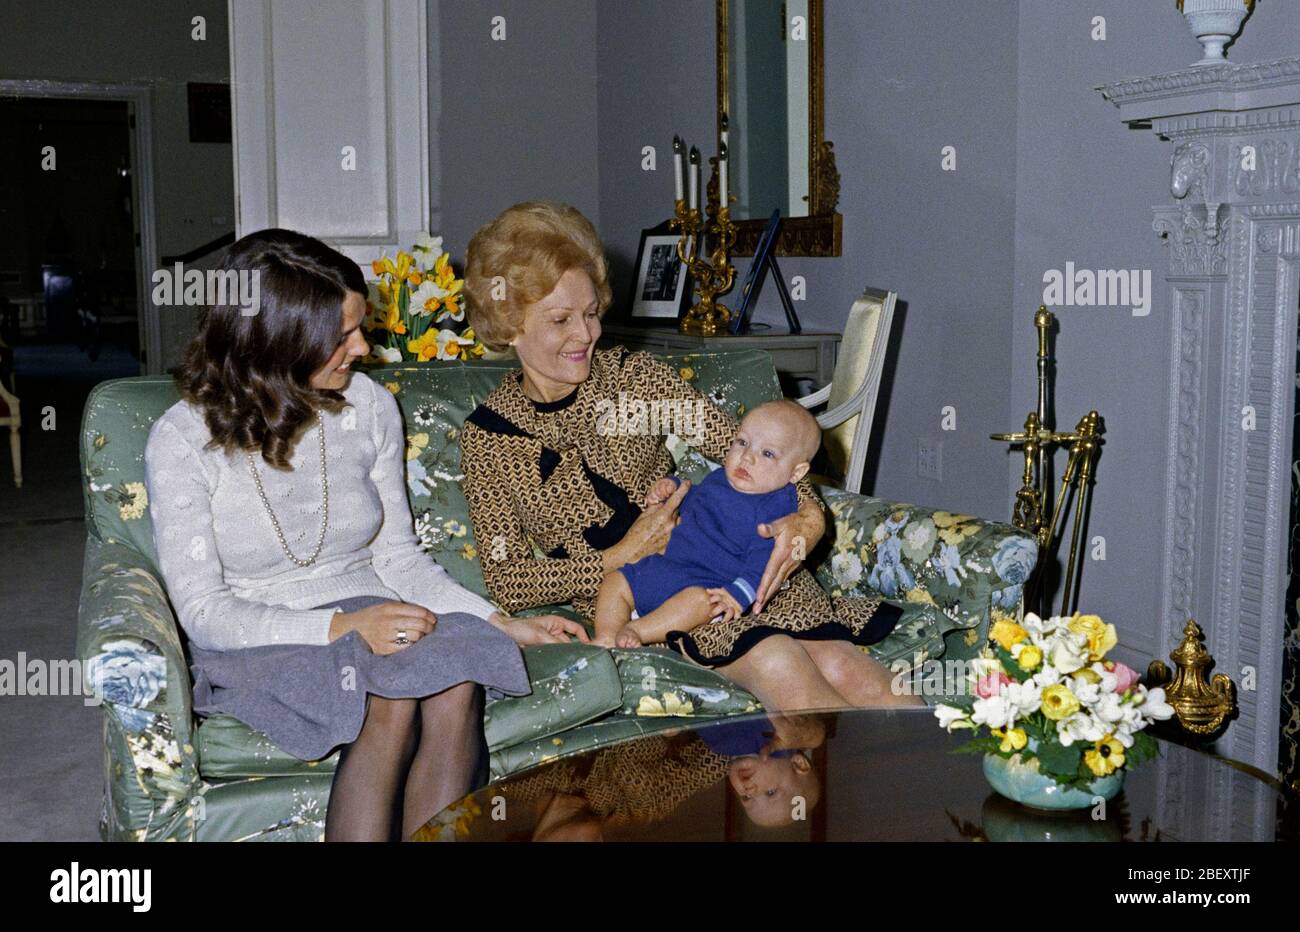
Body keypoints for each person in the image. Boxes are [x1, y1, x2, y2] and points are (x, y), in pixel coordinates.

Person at [144, 228, 582, 842]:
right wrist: (343, 627)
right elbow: (202, 610)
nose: (363, 347)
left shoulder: (369, 405)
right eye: (342, 334)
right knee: (388, 698)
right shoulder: (183, 437)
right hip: (259, 633)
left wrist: (497, 620)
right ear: (278, 339)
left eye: (360, 327)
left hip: (369, 609)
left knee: (456, 676)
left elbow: (398, 559)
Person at [458, 201, 924, 714]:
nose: (585, 334)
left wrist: (807, 516)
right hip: (646, 600)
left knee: (848, 667)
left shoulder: (634, 378)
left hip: (731, 560)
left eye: (590, 313)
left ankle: (931, 784)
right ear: (508, 322)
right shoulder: (489, 438)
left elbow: (746, 448)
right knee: (777, 659)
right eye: (560, 319)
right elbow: (508, 579)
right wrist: (617, 558)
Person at [595, 399, 843, 650]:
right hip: (666, 568)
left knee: (702, 602)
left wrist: (737, 596)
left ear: (797, 473)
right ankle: (607, 637)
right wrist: (672, 487)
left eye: (767, 453)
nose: (747, 457)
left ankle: (635, 631)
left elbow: (766, 563)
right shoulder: (720, 478)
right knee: (615, 580)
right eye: (742, 442)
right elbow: (696, 497)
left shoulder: (776, 507)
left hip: (705, 586)